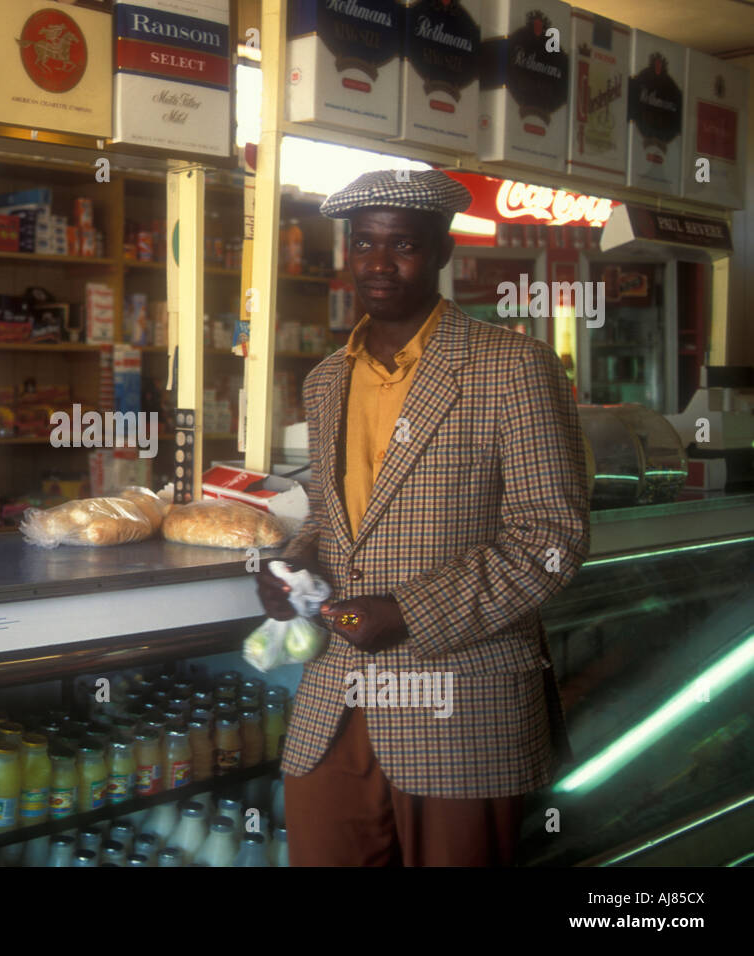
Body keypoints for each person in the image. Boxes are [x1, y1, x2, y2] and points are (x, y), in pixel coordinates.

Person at [257, 168, 590, 866]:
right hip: (336, 701)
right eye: (364, 243)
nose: (379, 263)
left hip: (462, 706)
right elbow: (337, 516)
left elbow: (552, 538)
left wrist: (411, 610)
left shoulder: (512, 366)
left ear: (442, 252)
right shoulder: (326, 380)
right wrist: (297, 563)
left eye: (402, 244)